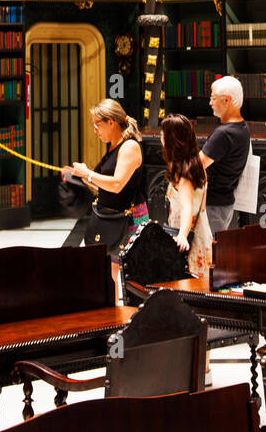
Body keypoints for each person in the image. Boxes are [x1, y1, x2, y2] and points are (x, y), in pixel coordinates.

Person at [63, 100, 149, 295]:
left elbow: (117, 184)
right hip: (111, 218)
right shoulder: (114, 146)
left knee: (130, 279)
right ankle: (112, 314)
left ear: (111, 122)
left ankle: (128, 317)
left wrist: (88, 173)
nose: (95, 130)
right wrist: (79, 176)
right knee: (106, 275)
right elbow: (104, 185)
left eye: (97, 125)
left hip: (129, 218)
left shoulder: (129, 147)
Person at [161, 114, 213, 282]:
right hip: (201, 232)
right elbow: (202, 206)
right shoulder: (196, 165)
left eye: (163, 133)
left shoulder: (184, 175)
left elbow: (187, 207)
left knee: (188, 287)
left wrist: (182, 235)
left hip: (188, 241)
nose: (160, 137)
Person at [199, 75, 251, 236]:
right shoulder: (243, 127)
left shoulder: (223, 134)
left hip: (212, 204)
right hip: (225, 201)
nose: (210, 103)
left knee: (212, 253)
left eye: (213, 98)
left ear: (227, 100)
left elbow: (196, 166)